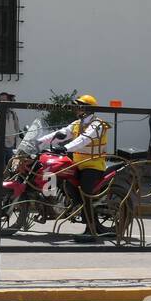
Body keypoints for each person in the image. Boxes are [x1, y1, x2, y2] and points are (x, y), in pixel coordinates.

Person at [45, 94, 111, 240]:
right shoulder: (77, 124)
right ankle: (71, 207)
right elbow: (59, 133)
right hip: (77, 164)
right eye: (77, 106)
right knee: (62, 181)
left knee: (85, 194)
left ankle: (91, 231)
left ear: (87, 109)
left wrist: (65, 148)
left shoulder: (97, 125)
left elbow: (83, 139)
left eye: (79, 106)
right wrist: (39, 142)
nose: (76, 109)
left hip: (93, 166)